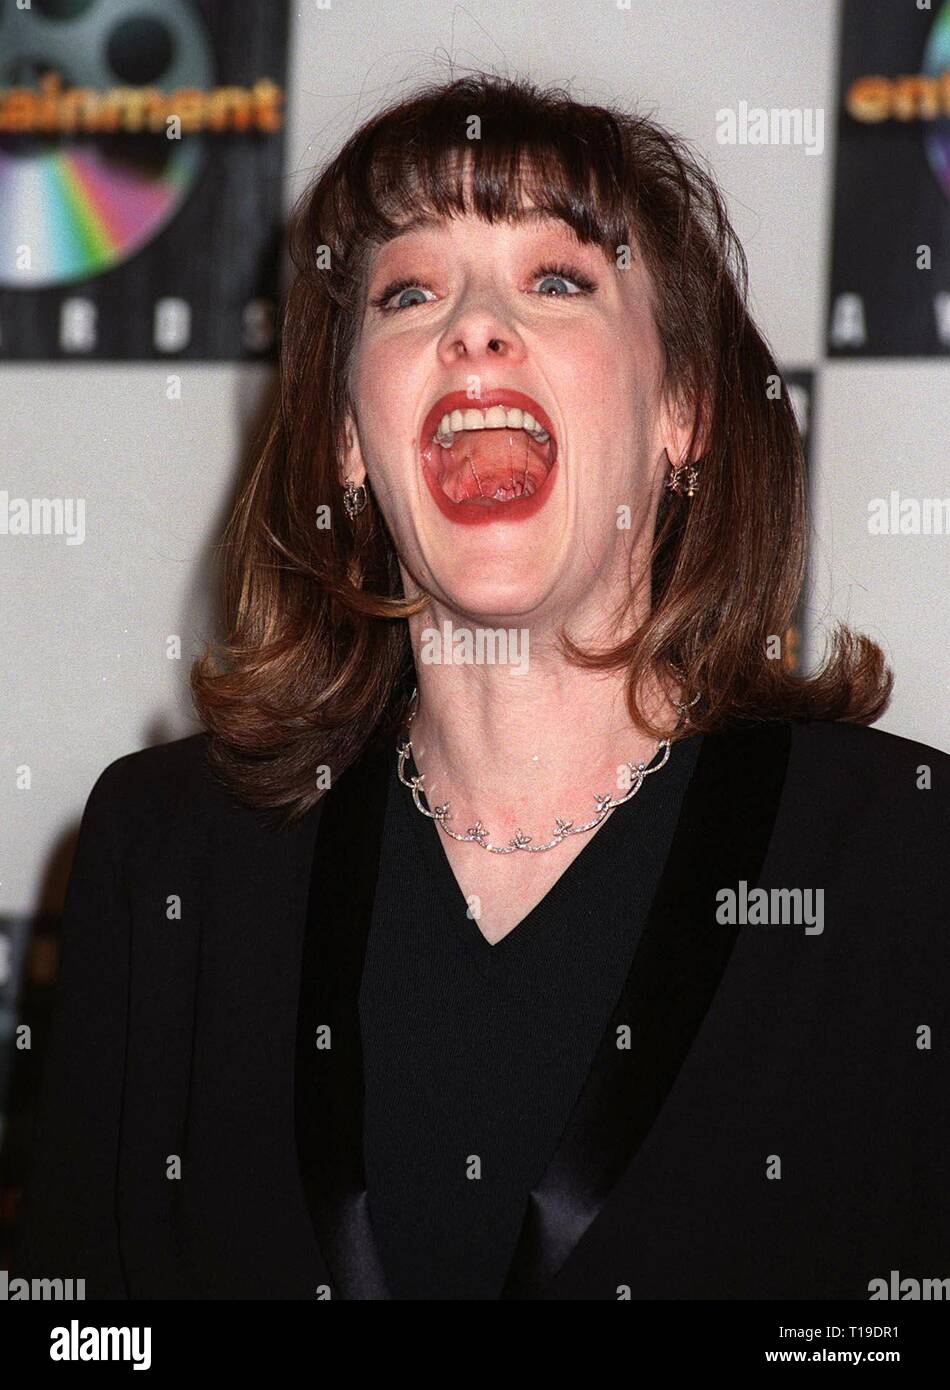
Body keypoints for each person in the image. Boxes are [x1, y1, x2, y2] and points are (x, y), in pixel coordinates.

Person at [17, 73, 948, 1301]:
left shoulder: (899, 852)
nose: (473, 328)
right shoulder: (171, 848)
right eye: (410, 292)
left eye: (555, 280)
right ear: (348, 440)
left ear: (683, 411)